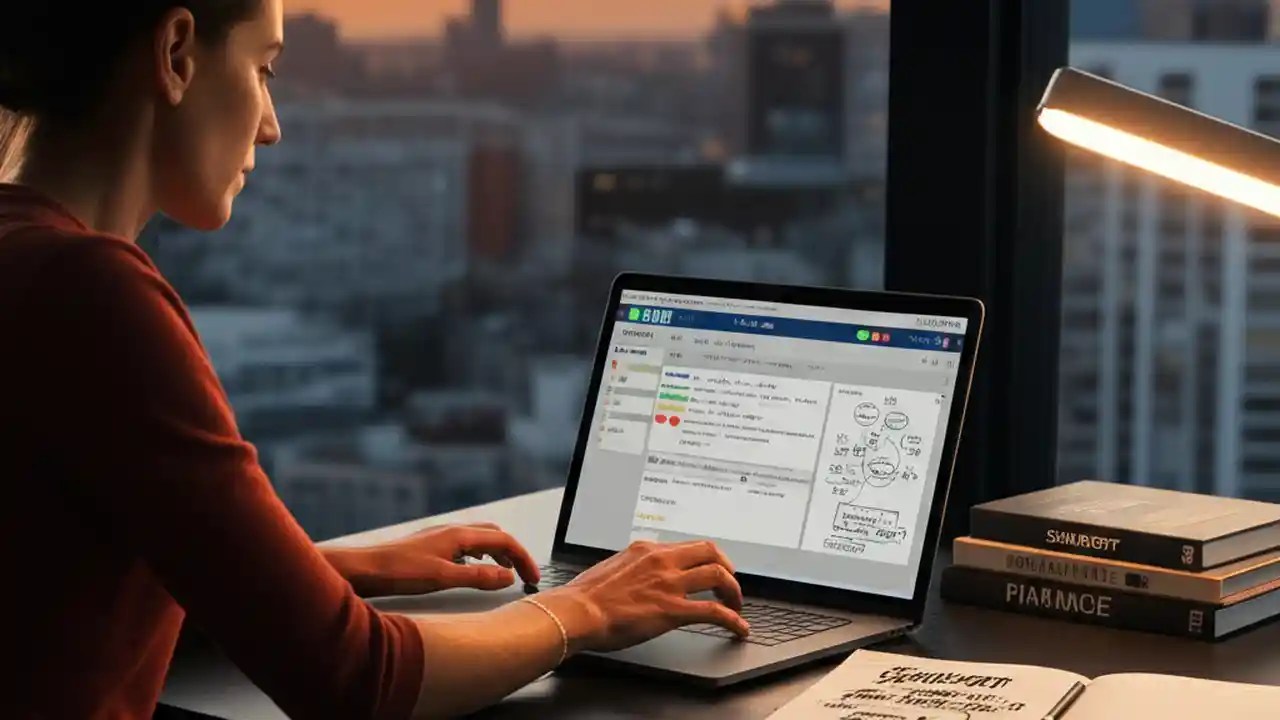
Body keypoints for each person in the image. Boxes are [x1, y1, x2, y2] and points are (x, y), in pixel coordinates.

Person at [0, 2, 749, 718]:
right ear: (175, 54)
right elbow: (359, 681)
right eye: (264, 69)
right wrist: (584, 608)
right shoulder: (91, 296)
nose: (271, 127)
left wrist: (339, 573)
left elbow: (58, 581)